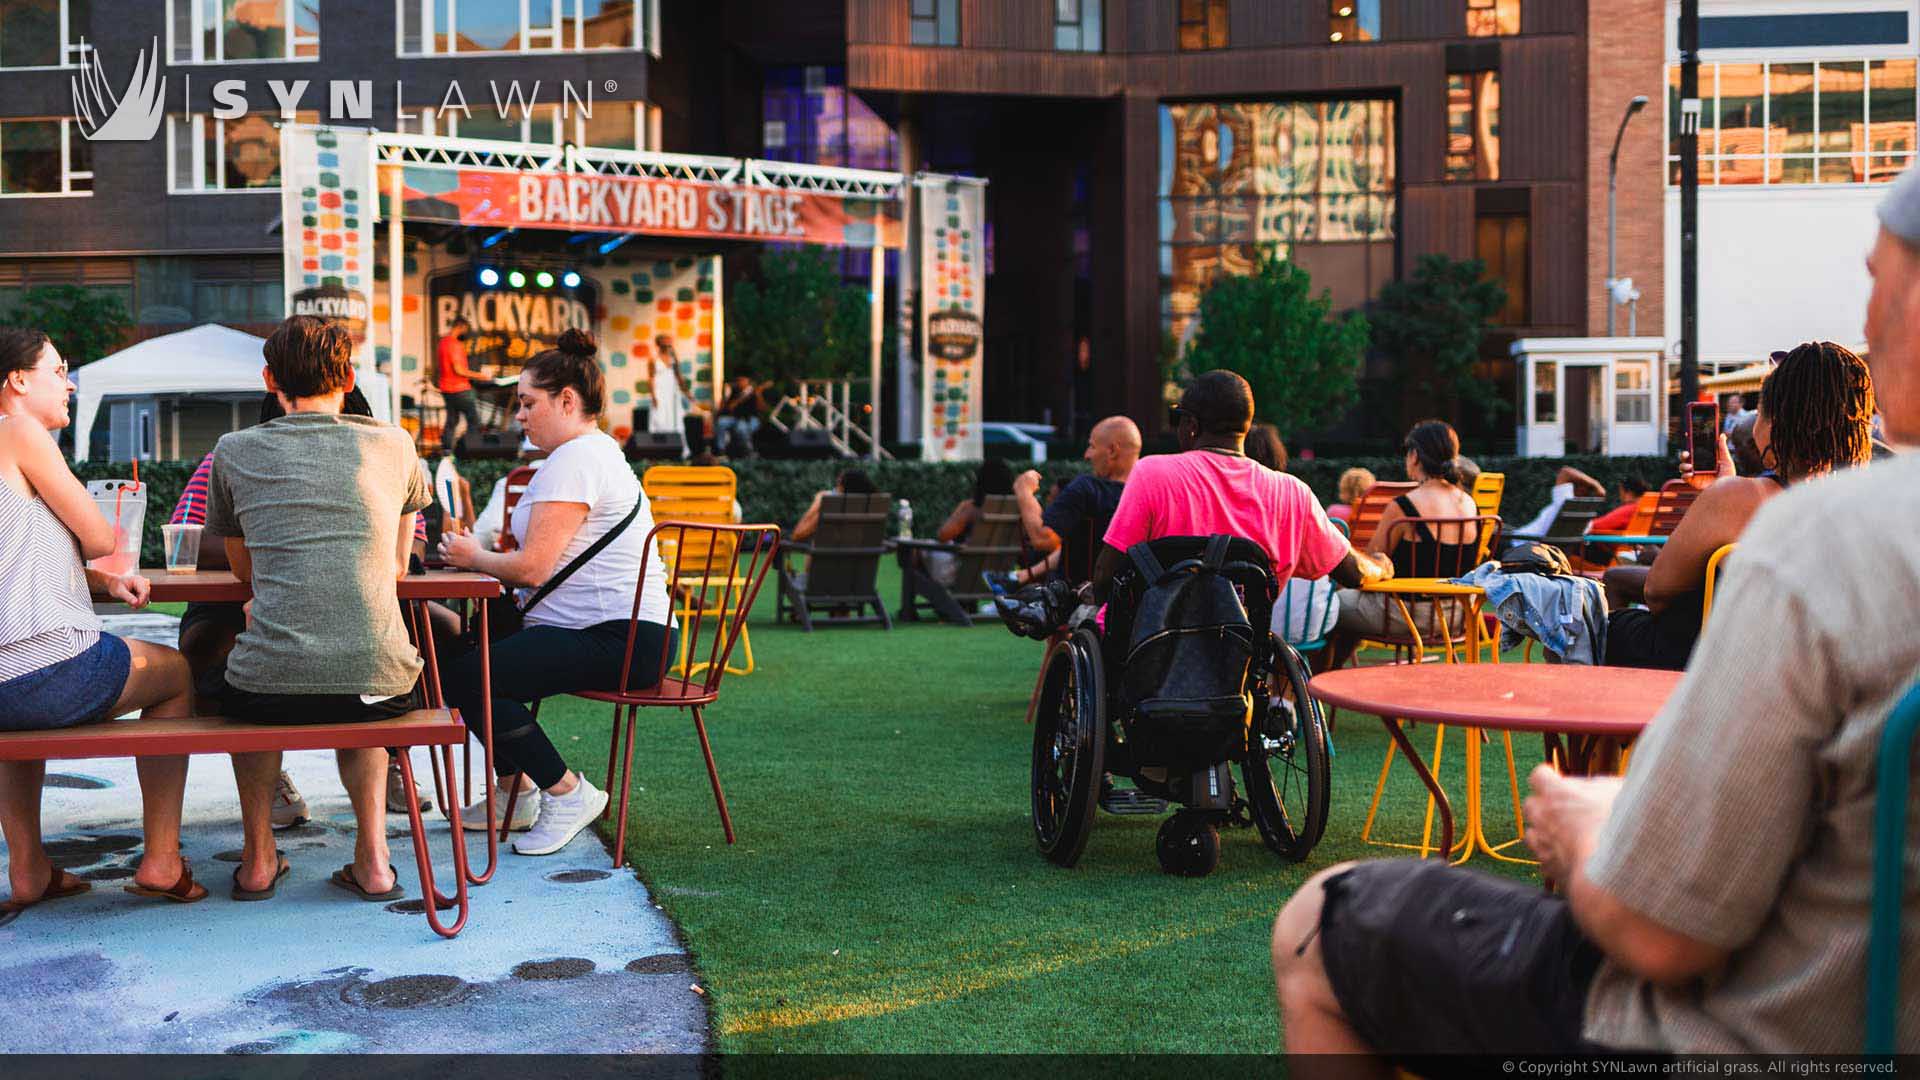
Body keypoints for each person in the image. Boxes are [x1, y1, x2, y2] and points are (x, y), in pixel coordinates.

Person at [1269, 171, 1920, 1060]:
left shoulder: (1819, 540)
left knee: (1318, 916)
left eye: (1876, 279)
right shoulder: (1848, 520)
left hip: (1766, 1027)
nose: (1870, 315)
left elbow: (1663, 932)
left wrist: (1585, 830)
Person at [203, 316, 432, 902]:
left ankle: (258, 861)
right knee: (361, 675)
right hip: (380, 678)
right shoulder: (394, 442)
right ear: (350, 377)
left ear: (269, 380)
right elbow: (398, 565)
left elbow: (243, 570)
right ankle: (375, 860)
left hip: (268, 685)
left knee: (253, 682)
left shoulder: (233, 450)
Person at [438, 330, 672, 856]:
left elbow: (533, 568)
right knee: (458, 654)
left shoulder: (577, 458)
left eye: (527, 403)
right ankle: (514, 793)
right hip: (617, 633)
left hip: (619, 638)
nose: (519, 415)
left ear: (567, 400)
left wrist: (470, 558)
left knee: (465, 677)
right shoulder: (585, 454)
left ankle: (564, 792)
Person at [0, 327, 205, 914]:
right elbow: (98, 535)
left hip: (5, 684)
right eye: (58, 369)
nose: (68, 384)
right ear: (17, 380)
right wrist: (103, 556)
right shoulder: (20, 432)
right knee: (176, 670)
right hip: (47, 671)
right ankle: (163, 858)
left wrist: (103, 583)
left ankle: (29, 868)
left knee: (20, 729)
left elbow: (21, 559)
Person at [170, 388, 430, 829]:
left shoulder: (382, 454)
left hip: (353, 617)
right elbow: (186, 539)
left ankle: (386, 764)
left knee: (411, 633)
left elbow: (415, 549)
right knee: (209, 642)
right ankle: (363, 845)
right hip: (252, 613)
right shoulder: (240, 454)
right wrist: (286, 546)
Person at [1602, 341, 1875, 671]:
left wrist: (1724, 492)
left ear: (1775, 423)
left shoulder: (1739, 499)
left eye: (1760, 411)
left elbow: (1657, 592)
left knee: (1597, 627)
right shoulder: (1861, 506)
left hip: (1710, 668)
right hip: (1801, 671)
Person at [1092, 370, 1391, 602]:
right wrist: (1381, 565)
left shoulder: (1153, 473)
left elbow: (1106, 575)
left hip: (1154, 650)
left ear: (1192, 425)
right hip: (1242, 655)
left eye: (1177, 419)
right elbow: (1353, 572)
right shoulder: (1293, 493)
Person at [1322, 420, 1482, 672]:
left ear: (1415, 455)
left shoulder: (1404, 507)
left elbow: (1370, 567)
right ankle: (1336, 682)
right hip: (1457, 616)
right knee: (1350, 612)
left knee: (1329, 605)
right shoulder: (1470, 504)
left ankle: (1318, 686)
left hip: (1406, 615)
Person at [1009, 416, 1142, 584]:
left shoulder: (1088, 488)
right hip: (1131, 600)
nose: (1087, 455)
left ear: (1112, 451)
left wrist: (1024, 492)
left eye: (1092, 446)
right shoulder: (1150, 492)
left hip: (1078, 600)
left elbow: (1042, 538)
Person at [898, 459, 1015, 621]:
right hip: (996, 575)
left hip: (960, 573)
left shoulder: (971, 508)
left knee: (913, 550)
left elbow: (943, 535)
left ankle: (917, 608)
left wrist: (961, 509)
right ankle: (957, 603)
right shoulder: (1018, 510)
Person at [1510, 465, 1608, 537]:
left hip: (1519, 542)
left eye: (1574, 484)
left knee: (1496, 532)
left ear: (1582, 489)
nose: (1571, 486)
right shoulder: (1586, 520)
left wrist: (1596, 484)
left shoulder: (1564, 502)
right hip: (1538, 548)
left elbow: (1565, 472)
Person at [791, 467, 878, 544]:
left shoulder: (831, 506)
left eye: (838, 485)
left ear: (842, 488)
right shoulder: (870, 507)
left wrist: (817, 502)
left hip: (824, 560)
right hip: (860, 561)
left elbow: (797, 535)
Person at [437, 316, 481, 457]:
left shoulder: (442, 343)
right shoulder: (455, 344)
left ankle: (447, 451)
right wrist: (482, 376)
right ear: (460, 326)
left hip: (446, 388)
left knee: (452, 420)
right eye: (465, 329)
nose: (466, 333)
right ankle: (471, 451)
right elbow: (459, 370)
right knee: (473, 420)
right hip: (459, 388)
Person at [648, 335, 692, 452]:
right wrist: (653, 396)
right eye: (664, 342)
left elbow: (679, 376)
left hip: (672, 393)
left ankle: (679, 450)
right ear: (659, 344)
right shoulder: (653, 359)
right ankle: (659, 450)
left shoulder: (673, 358)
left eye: (669, 342)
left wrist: (687, 392)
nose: (667, 344)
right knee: (660, 419)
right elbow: (651, 378)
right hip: (659, 392)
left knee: (675, 420)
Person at [715, 374, 769, 457]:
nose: (739, 382)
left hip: (750, 419)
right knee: (721, 422)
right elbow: (728, 407)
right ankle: (721, 450)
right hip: (736, 417)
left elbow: (763, 409)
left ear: (748, 381)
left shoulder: (754, 392)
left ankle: (748, 451)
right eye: (738, 380)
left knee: (741, 428)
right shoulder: (735, 392)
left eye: (742, 380)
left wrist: (758, 394)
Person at [1584, 473, 1651, 536]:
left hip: (1622, 545)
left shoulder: (1630, 509)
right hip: (1638, 544)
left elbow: (1596, 525)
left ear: (1628, 492)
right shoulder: (1648, 507)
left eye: (1620, 491)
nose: (1620, 495)